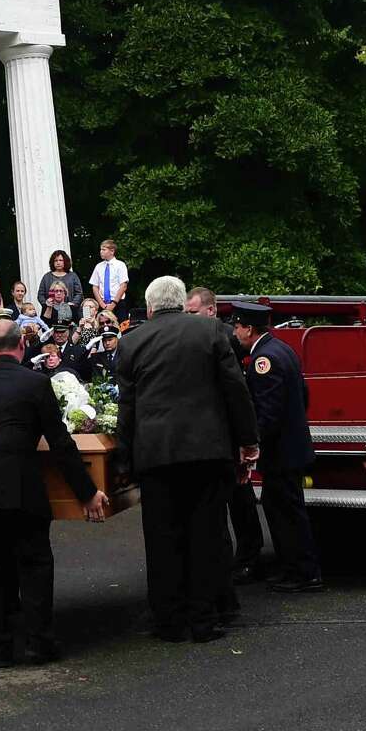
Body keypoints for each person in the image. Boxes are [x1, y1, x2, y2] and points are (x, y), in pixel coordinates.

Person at [0, 319, 109, 666]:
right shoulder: (34, 383)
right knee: (33, 564)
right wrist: (87, 491)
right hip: (18, 487)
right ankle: (38, 642)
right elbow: (61, 443)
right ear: (21, 347)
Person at [116, 276, 259, 643]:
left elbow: (127, 408)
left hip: (156, 454)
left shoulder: (132, 342)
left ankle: (168, 621)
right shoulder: (211, 332)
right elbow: (235, 390)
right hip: (206, 451)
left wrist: (124, 460)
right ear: (181, 304)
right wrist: (247, 442)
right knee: (206, 536)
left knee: (162, 540)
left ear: (149, 308)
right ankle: (204, 619)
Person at [230, 301, 323, 592]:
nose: (234, 333)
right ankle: (293, 568)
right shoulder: (282, 349)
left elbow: (267, 413)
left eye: (237, 327)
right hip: (291, 448)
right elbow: (302, 395)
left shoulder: (263, 361)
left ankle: (303, 572)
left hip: (281, 452)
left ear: (248, 328)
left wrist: (249, 443)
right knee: (281, 507)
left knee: (287, 512)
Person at [187, 286, 264, 583]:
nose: (188, 317)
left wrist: (245, 440)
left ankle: (249, 556)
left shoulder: (226, 339)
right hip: (213, 433)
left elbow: (236, 392)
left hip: (228, 434)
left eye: (193, 312)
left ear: (211, 311)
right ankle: (234, 558)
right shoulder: (201, 336)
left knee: (240, 499)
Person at [89, 239, 129, 322]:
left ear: (112, 251)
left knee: (121, 327)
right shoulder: (98, 266)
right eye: (100, 249)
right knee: (104, 327)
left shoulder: (120, 265)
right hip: (103, 303)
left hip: (118, 303)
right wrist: (102, 304)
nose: (101, 252)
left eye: (104, 249)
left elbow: (123, 286)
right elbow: (95, 287)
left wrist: (114, 303)